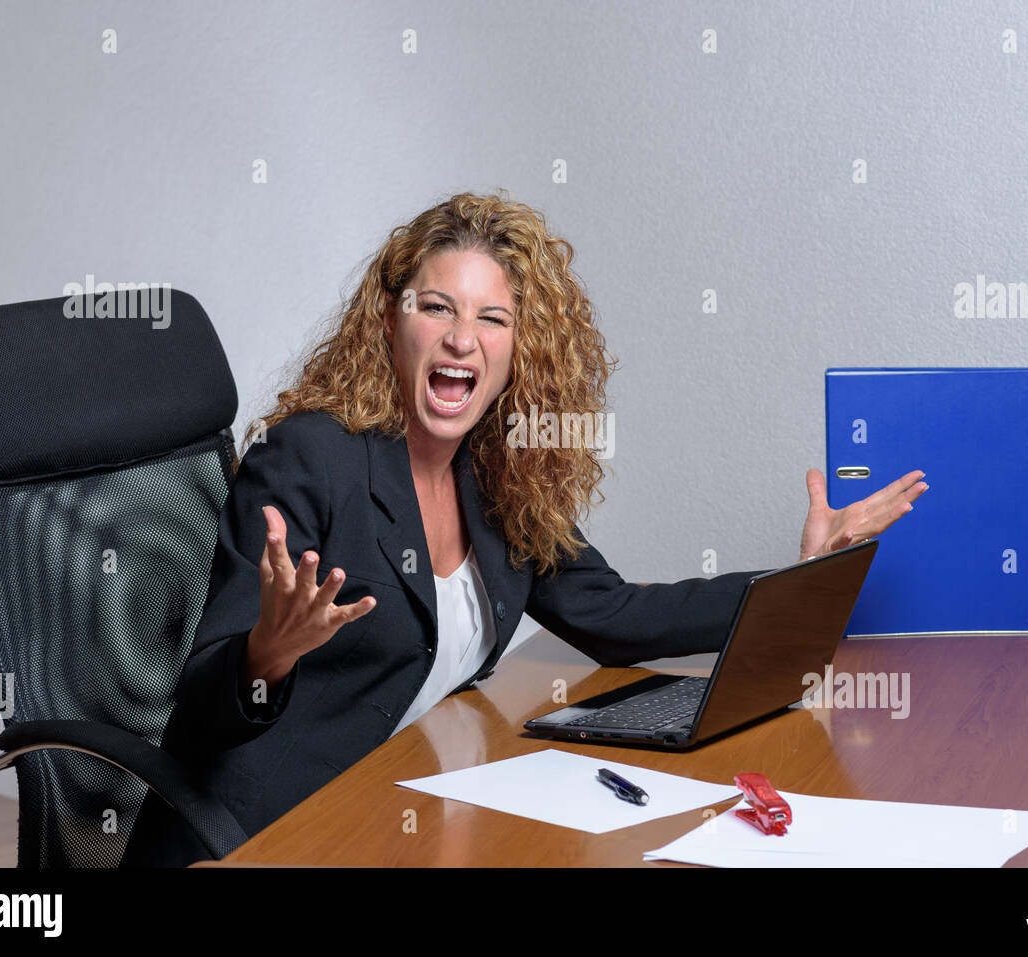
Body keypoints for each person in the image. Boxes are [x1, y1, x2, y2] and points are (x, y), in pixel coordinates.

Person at [120, 191, 926, 866]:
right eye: (435, 307)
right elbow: (199, 713)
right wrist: (270, 651)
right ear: (392, 324)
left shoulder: (501, 478)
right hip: (266, 836)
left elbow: (616, 615)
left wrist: (798, 580)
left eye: (492, 318)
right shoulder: (314, 457)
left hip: (406, 806)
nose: (462, 337)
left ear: (520, 352)